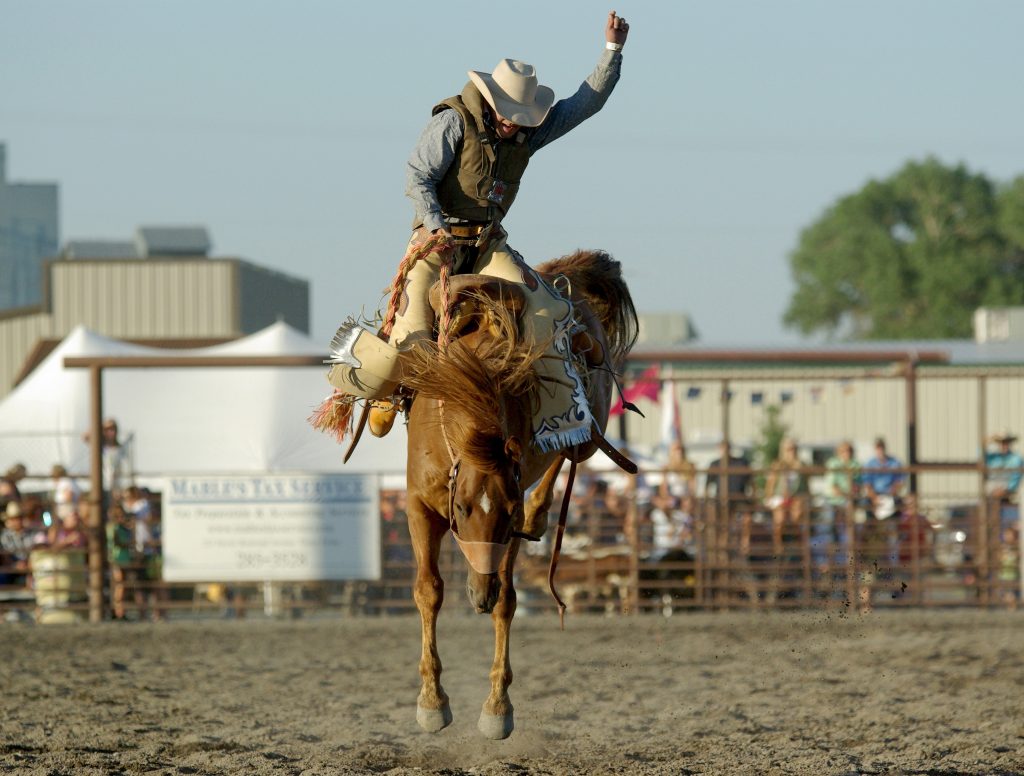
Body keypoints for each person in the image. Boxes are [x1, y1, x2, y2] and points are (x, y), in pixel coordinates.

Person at [326, 11, 630, 453]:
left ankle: (556, 419)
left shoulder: (530, 132)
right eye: (508, 114)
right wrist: (436, 228)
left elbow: (586, 103)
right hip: (435, 245)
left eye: (521, 116)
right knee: (410, 334)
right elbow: (417, 176)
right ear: (490, 102)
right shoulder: (452, 122)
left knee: (546, 309)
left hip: (487, 243)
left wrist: (612, 50)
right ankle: (386, 390)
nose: (513, 123)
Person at [818, 441, 860, 571]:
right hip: (833, 501)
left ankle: (851, 558)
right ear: (839, 452)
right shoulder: (833, 464)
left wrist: (852, 494)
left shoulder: (855, 465)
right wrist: (847, 495)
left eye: (849, 451)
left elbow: (857, 484)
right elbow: (833, 487)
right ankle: (828, 561)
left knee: (851, 528)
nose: (847, 453)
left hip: (848, 501)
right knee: (829, 528)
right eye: (844, 451)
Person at [983, 431, 1022, 529]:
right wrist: (989, 440)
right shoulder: (992, 458)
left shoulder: (1016, 459)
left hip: (1007, 496)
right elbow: (980, 454)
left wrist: (1006, 489)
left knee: (1008, 525)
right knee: (989, 522)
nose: (1004, 445)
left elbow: (1016, 477)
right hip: (991, 495)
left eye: (1006, 443)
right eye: (1002, 443)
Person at [862, 437, 905, 520]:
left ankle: (895, 529)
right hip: (875, 494)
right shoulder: (870, 464)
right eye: (878, 448)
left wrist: (890, 495)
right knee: (865, 503)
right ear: (875, 449)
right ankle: (870, 528)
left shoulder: (894, 462)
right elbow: (867, 484)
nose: (880, 450)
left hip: (890, 494)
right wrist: (874, 498)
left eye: (881, 447)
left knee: (899, 503)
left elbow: (900, 481)